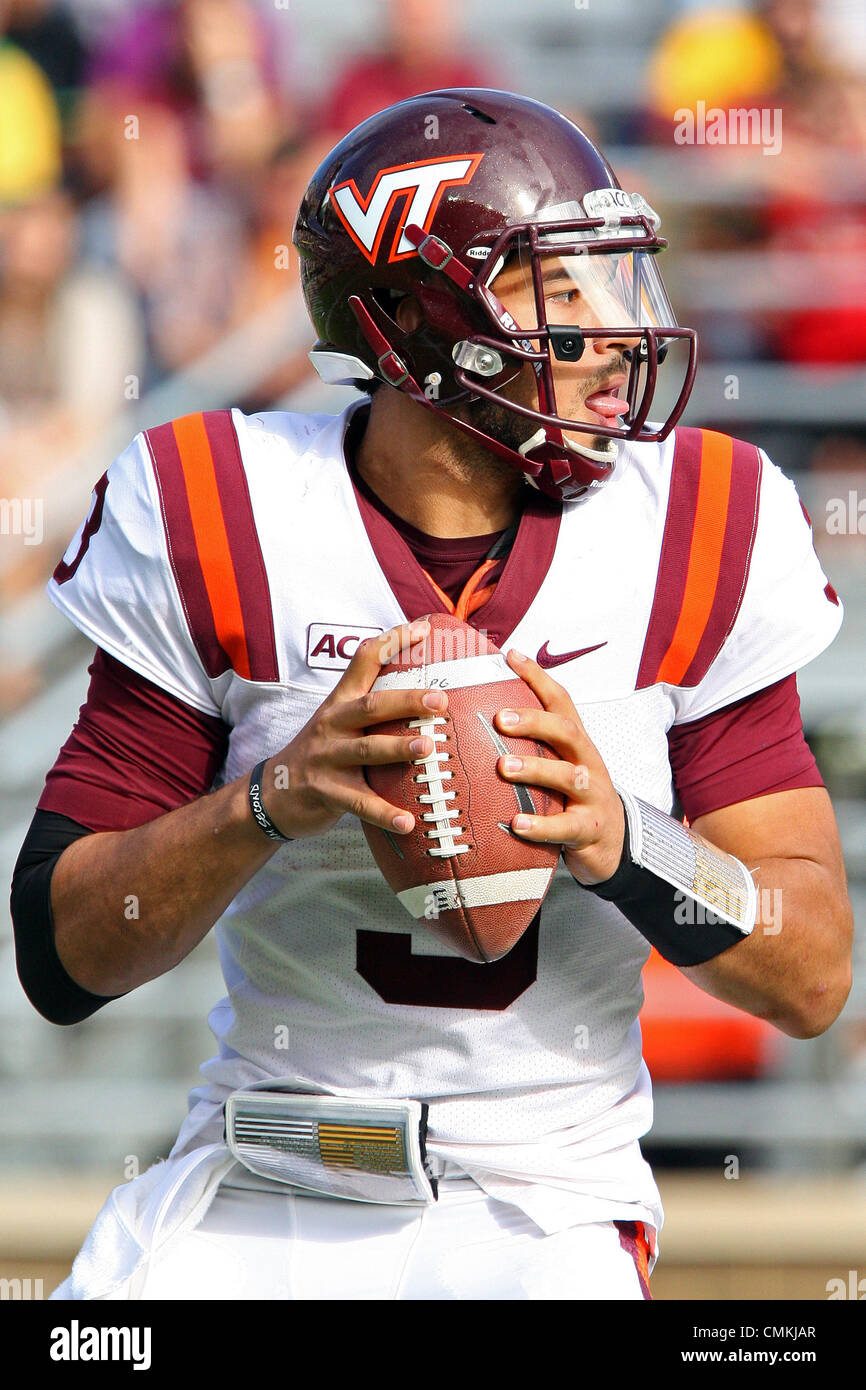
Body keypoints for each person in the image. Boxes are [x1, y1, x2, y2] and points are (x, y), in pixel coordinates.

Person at [11, 89, 852, 1301]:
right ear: (413, 317)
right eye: (558, 292)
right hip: (263, 1176)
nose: (613, 334)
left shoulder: (697, 524)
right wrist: (269, 801)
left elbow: (813, 968)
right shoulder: (221, 505)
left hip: (540, 1208)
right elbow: (61, 954)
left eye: (610, 286)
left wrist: (627, 845)